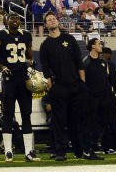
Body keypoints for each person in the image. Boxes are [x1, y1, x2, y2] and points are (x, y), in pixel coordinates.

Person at [38, 12, 93, 161]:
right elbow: (46, 70)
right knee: (59, 122)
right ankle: (61, 152)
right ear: (46, 25)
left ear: (57, 22)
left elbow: (79, 63)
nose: (52, 21)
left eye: (53, 19)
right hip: (59, 87)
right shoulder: (45, 45)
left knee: (81, 120)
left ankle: (85, 151)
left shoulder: (69, 39)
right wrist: (51, 87)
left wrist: (82, 83)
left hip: (76, 85)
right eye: (49, 20)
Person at [0, 13, 37, 162]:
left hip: (23, 80)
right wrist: (1, 67)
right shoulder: (1, 35)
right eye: (12, 18)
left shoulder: (26, 35)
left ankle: (29, 151)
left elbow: (30, 56)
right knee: (8, 114)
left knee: (26, 114)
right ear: (6, 20)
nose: (15, 20)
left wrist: (31, 63)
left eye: (17, 18)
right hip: (9, 80)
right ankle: (8, 151)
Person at [82, 37, 116, 158]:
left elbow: (106, 79)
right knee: (91, 124)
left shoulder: (103, 62)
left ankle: (106, 147)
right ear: (93, 46)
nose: (101, 45)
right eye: (98, 44)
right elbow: (83, 82)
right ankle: (89, 148)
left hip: (104, 98)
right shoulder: (85, 62)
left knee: (105, 123)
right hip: (91, 98)